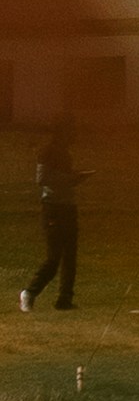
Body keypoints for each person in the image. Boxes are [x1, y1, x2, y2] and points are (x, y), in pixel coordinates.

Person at [18, 118, 79, 315]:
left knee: (70, 256)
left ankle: (65, 298)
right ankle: (29, 293)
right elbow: (42, 179)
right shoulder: (48, 151)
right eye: (71, 131)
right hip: (53, 208)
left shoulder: (65, 153)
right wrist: (69, 179)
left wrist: (73, 180)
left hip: (67, 206)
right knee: (54, 258)